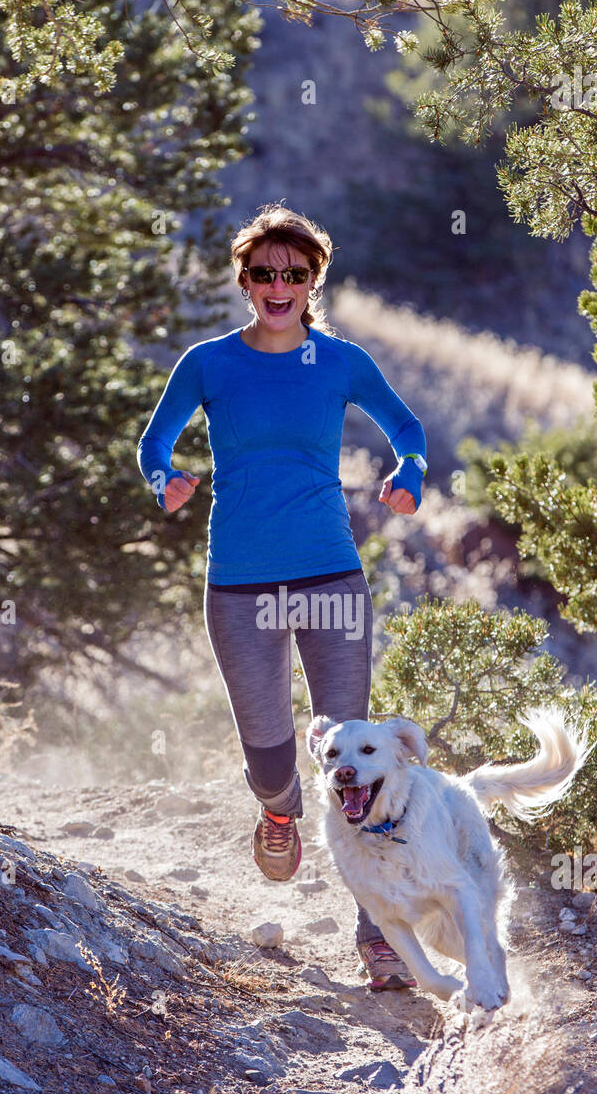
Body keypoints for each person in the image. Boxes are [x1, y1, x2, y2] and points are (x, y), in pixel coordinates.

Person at [136, 204, 429, 991]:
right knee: (270, 757)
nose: (278, 285)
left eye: (293, 274)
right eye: (263, 272)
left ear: (312, 282)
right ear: (244, 280)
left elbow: (408, 429)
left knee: (361, 764)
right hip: (238, 585)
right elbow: (153, 442)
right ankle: (276, 811)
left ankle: (380, 939)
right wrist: (164, 480)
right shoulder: (208, 364)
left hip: (330, 577)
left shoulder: (339, 362)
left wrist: (411, 472)